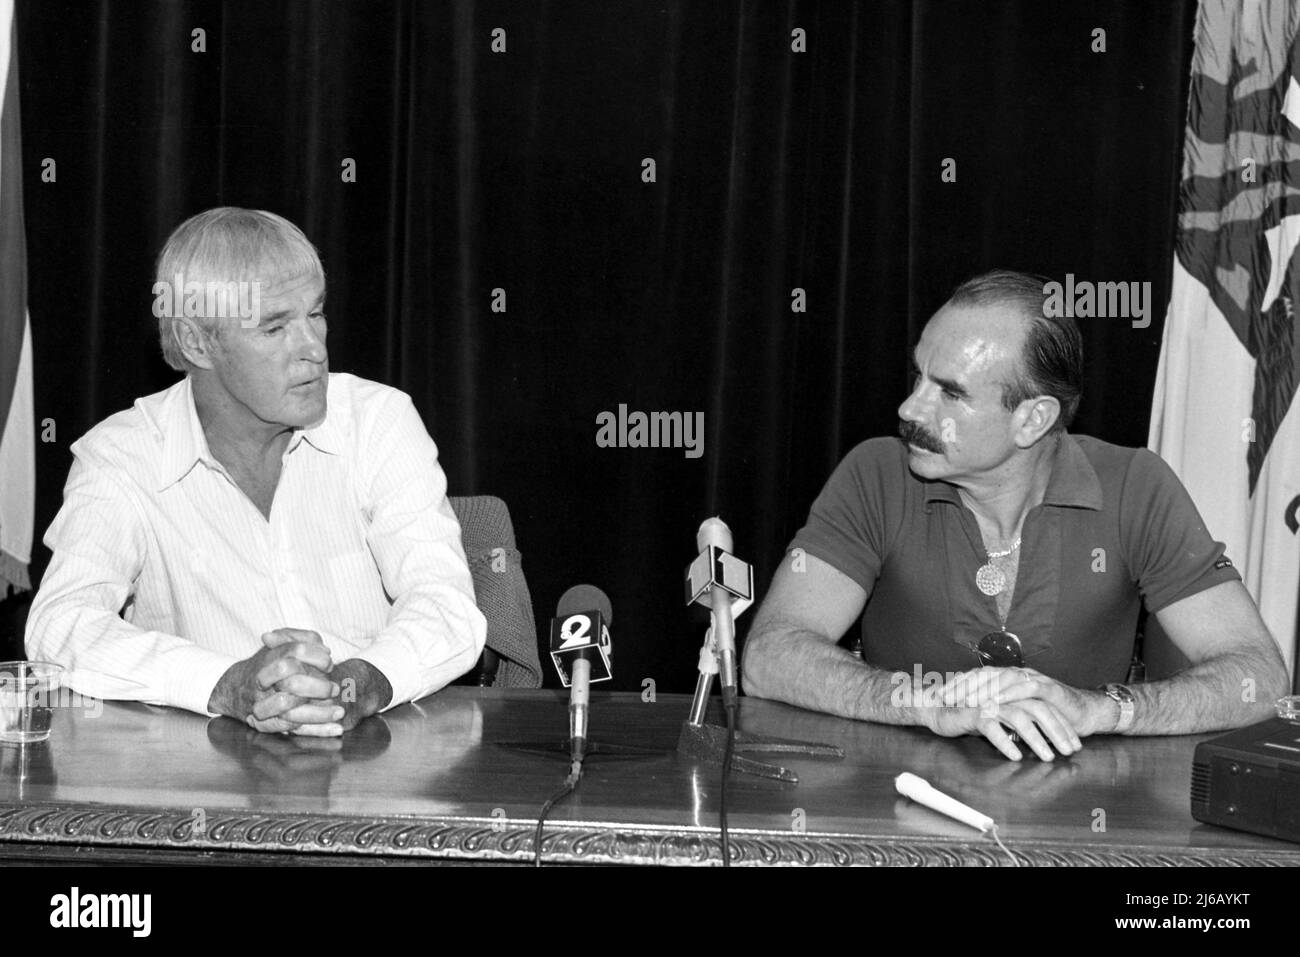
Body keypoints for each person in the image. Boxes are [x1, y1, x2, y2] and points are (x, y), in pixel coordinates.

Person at [741, 269, 1288, 761]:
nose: (910, 409)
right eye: (918, 377)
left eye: (949, 393)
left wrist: (1100, 710)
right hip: (897, 806)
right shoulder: (875, 474)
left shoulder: (1136, 486)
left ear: (1033, 419)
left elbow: (1258, 677)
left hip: (1083, 822)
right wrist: (924, 702)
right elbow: (768, 656)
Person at [25, 207, 487, 736]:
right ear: (198, 343)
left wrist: (361, 683)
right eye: (275, 327)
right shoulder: (122, 457)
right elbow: (61, 625)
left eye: (315, 313)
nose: (313, 350)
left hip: (376, 758)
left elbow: (447, 606)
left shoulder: (378, 420)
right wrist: (224, 684)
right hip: (203, 779)